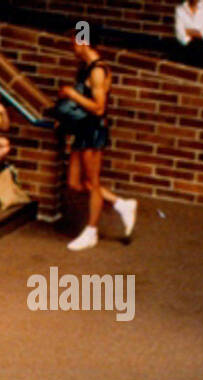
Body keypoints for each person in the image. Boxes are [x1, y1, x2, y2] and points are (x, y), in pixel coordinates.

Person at [59, 33, 139, 251]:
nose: (72, 46)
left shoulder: (96, 70)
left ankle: (91, 230)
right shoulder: (86, 67)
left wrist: (71, 95)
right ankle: (120, 204)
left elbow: (99, 107)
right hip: (83, 129)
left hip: (93, 131)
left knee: (93, 182)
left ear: (83, 42)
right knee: (75, 182)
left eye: (74, 41)